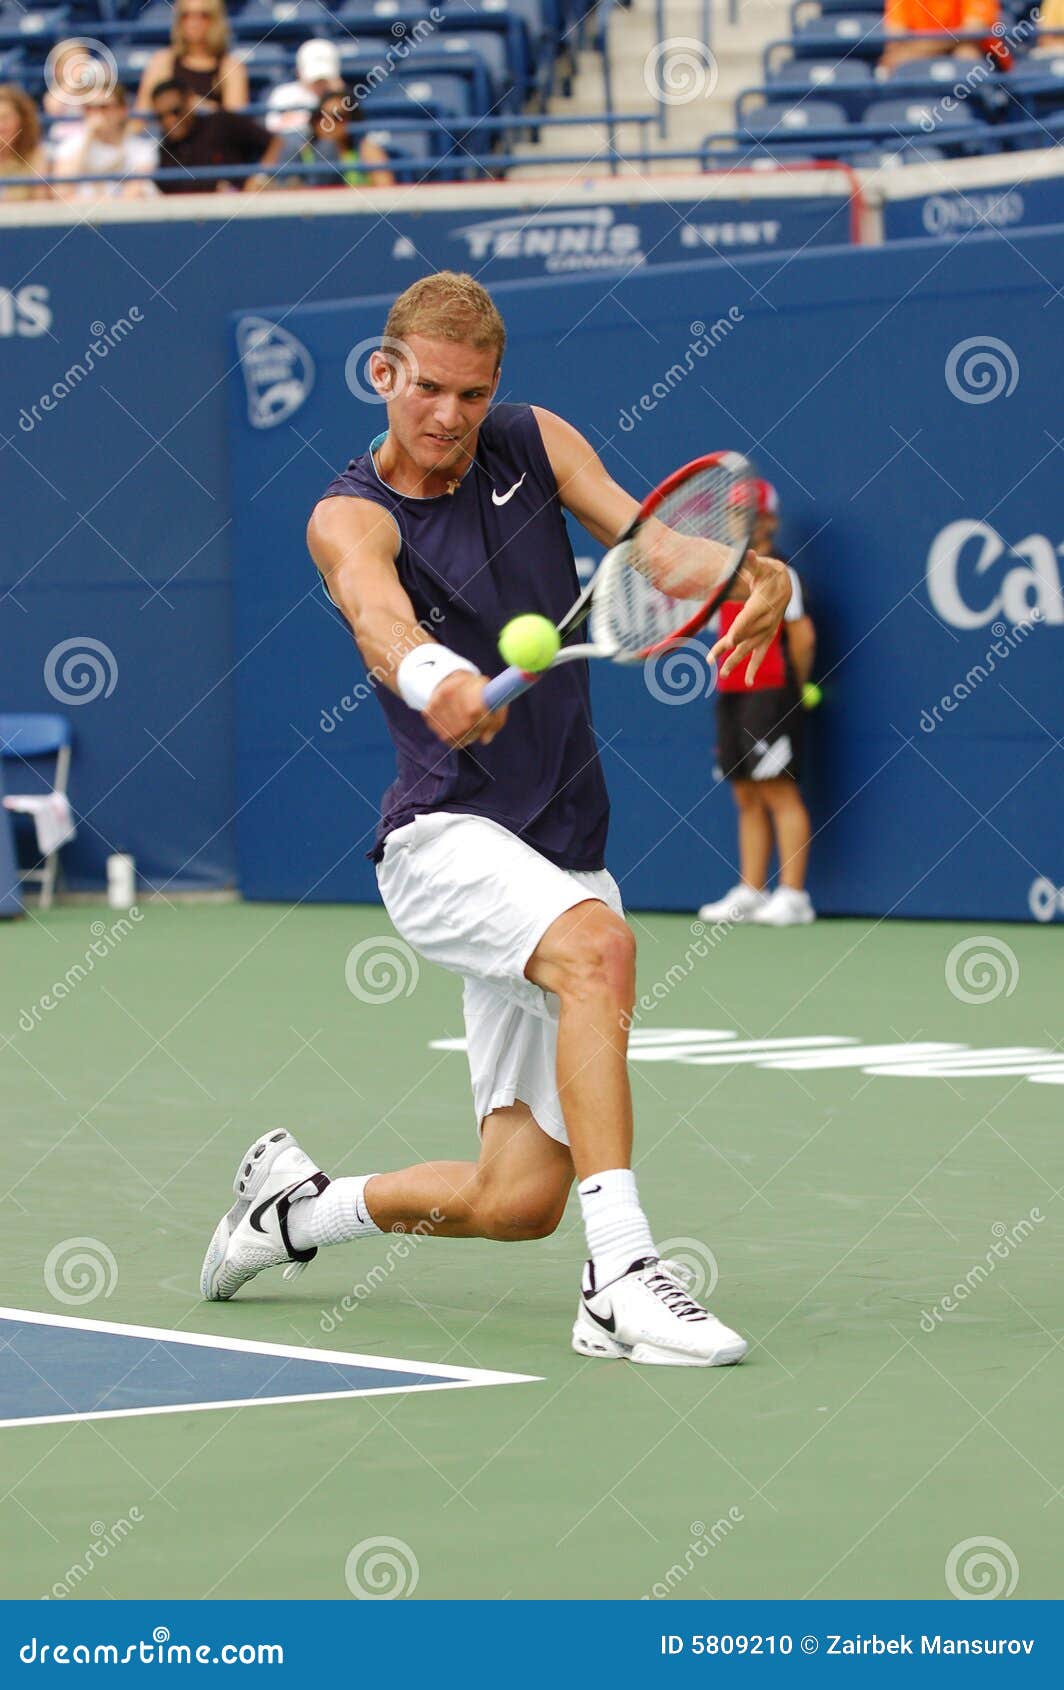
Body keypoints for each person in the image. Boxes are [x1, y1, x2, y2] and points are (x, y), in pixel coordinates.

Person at [200, 271, 792, 1368]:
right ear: (385, 373)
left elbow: (657, 551)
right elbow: (377, 615)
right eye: (426, 387)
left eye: (471, 395)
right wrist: (432, 679)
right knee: (598, 950)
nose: (447, 416)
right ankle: (618, 1278)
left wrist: (749, 573)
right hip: (444, 837)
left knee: (516, 1198)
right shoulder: (347, 513)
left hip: (561, 842)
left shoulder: (531, 441)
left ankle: (290, 1210)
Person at [698, 481, 816, 928]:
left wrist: (794, 690)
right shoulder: (723, 577)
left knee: (778, 790)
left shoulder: (783, 575)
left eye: (751, 514)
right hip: (732, 694)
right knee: (745, 791)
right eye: (734, 514)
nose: (742, 522)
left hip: (772, 695)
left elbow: (802, 637)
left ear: (769, 521)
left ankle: (793, 895)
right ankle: (752, 889)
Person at [151, 80, 283, 193]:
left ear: (189, 101)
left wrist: (260, 179)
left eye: (175, 111)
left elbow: (275, 142)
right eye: (160, 116)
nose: (169, 120)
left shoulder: (221, 122)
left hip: (245, 207)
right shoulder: (165, 151)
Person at [135, 0, 248, 116]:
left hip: (214, 132)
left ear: (216, 20)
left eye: (203, 16)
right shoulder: (162, 61)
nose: (193, 23)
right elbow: (141, 117)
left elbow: (238, 124)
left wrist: (200, 107)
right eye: (186, 16)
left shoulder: (230, 66)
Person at [52, 85, 156, 202]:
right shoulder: (69, 146)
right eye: (89, 108)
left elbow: (132, 196)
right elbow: (62, 191)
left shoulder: (142, 148)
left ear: (122, 110)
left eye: (104, 107)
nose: (97, 114)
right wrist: (88, 136)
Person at [281, 89, 394, 188]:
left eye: (337, 117)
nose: (328, 122)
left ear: (351, 120)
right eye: (322, 115)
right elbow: (270, 184)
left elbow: (385, 189)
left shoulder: (365, 150)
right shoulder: (301, 151)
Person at [879, 0, 1000, 72]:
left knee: (967, 53)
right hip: (944, 46)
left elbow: (973, 31)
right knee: (893, 62)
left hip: (985, 56)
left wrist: (916, 49)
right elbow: (895, 40)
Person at [265, 37, 343, 135]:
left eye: (324, 80)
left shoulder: (342, 97)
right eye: (315, 80)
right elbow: (272, 128)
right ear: (298, 72)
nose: (319, 84)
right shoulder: (283, 94)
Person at [0, 85, 49, 201]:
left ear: (22, 121)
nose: (1, 125)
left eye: (5, 118)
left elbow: (40, 201)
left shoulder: (35, 156)